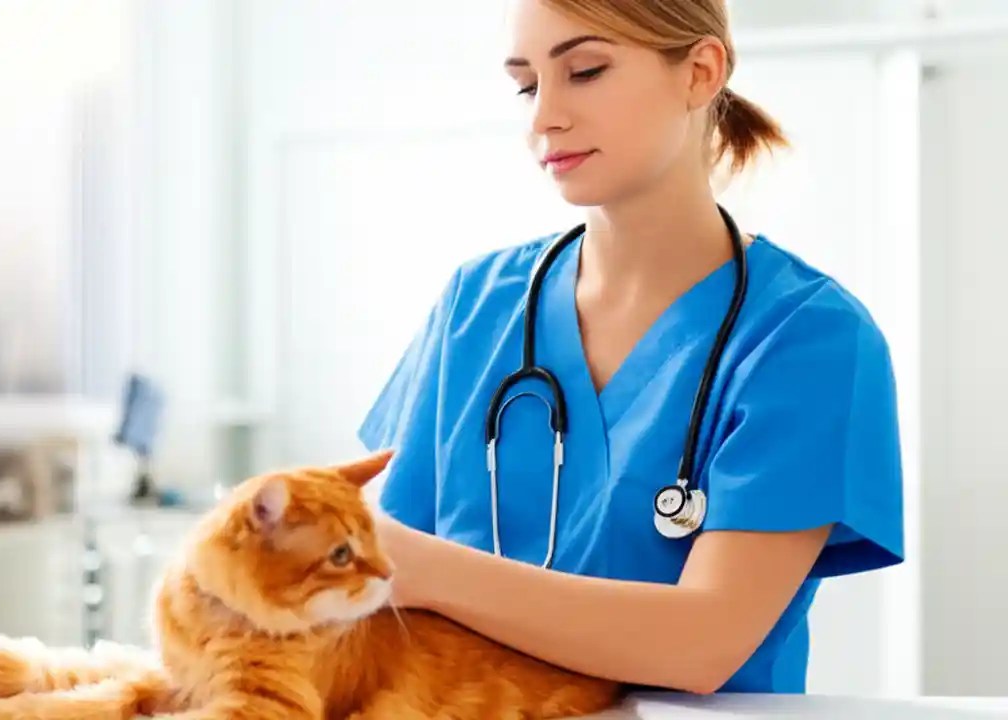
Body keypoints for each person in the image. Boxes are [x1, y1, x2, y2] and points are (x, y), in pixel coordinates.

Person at [357, 0, 904, 696]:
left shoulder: (808, 339)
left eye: (585, 71)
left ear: (700, 72)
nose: (543, 117)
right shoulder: (476, 306)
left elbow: (704, 643)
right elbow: (381, 607)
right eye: (527, 85)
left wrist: (425, 571)